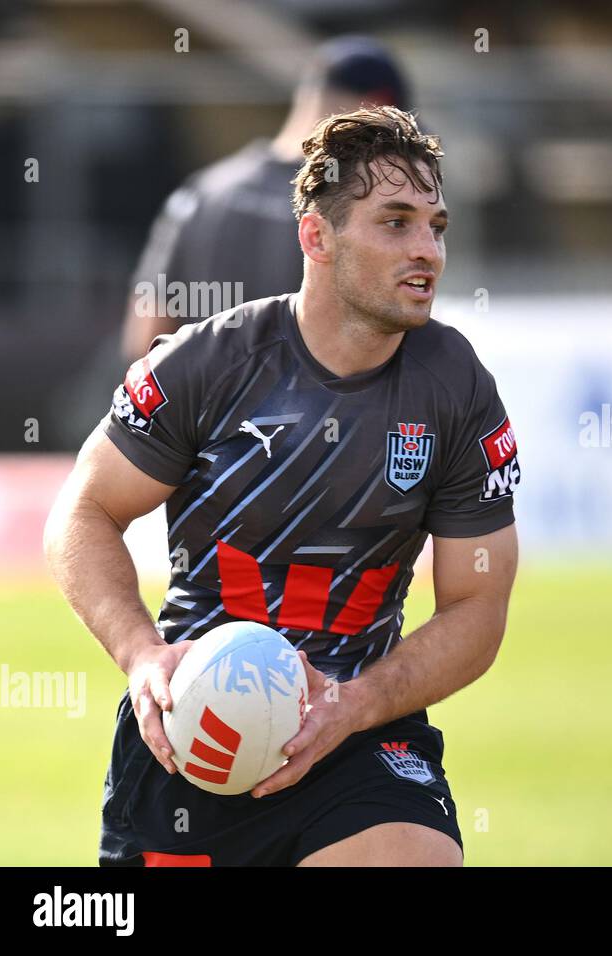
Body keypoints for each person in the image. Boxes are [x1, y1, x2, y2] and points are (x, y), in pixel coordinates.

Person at [46, 105, 521, 866]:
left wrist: (356, 702)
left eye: (436, 225)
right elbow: (83, 511)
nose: (427, 249)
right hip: (190, 740)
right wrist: (142, 655)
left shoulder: (456, 387)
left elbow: (478, 605)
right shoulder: (209, 362)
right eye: (395, 223)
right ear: (317, 237)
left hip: (360, 738)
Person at [120, 35, 411, 362]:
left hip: (196, 407)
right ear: (376, 107)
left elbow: (145, 337)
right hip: (312, 410)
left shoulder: (204, 190)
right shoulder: (350, 205)